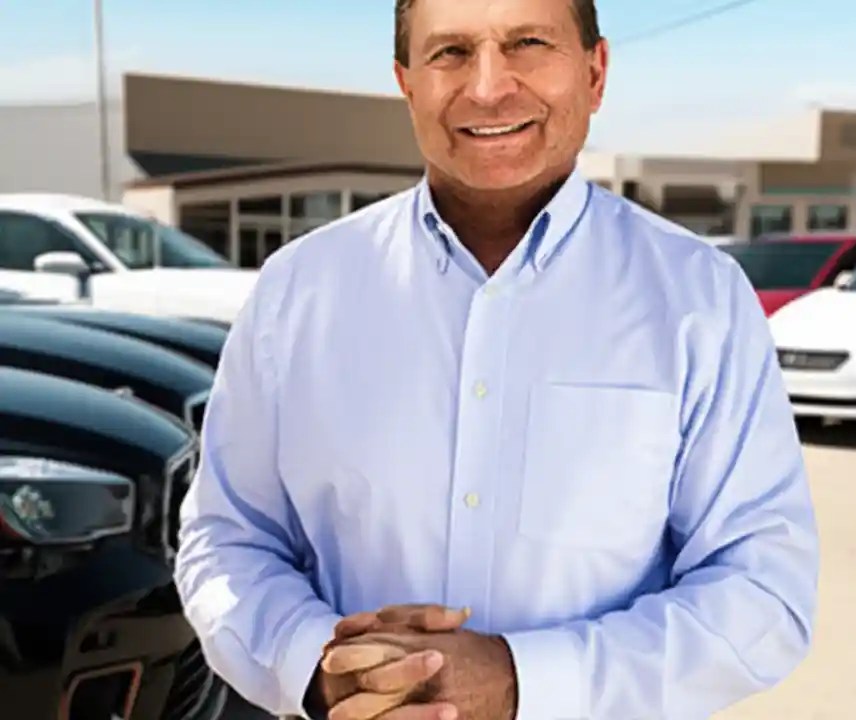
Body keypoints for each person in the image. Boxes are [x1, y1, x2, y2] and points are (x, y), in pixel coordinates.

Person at [173, 0, 819, 717]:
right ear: (406, 83)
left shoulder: (699, 297)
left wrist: (523, 680)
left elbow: (762, 589)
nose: (487, 88)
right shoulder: (299, 290)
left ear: (596, 73)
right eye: (450, 53)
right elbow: (226, 539)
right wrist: (318, 664)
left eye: (528, 43)